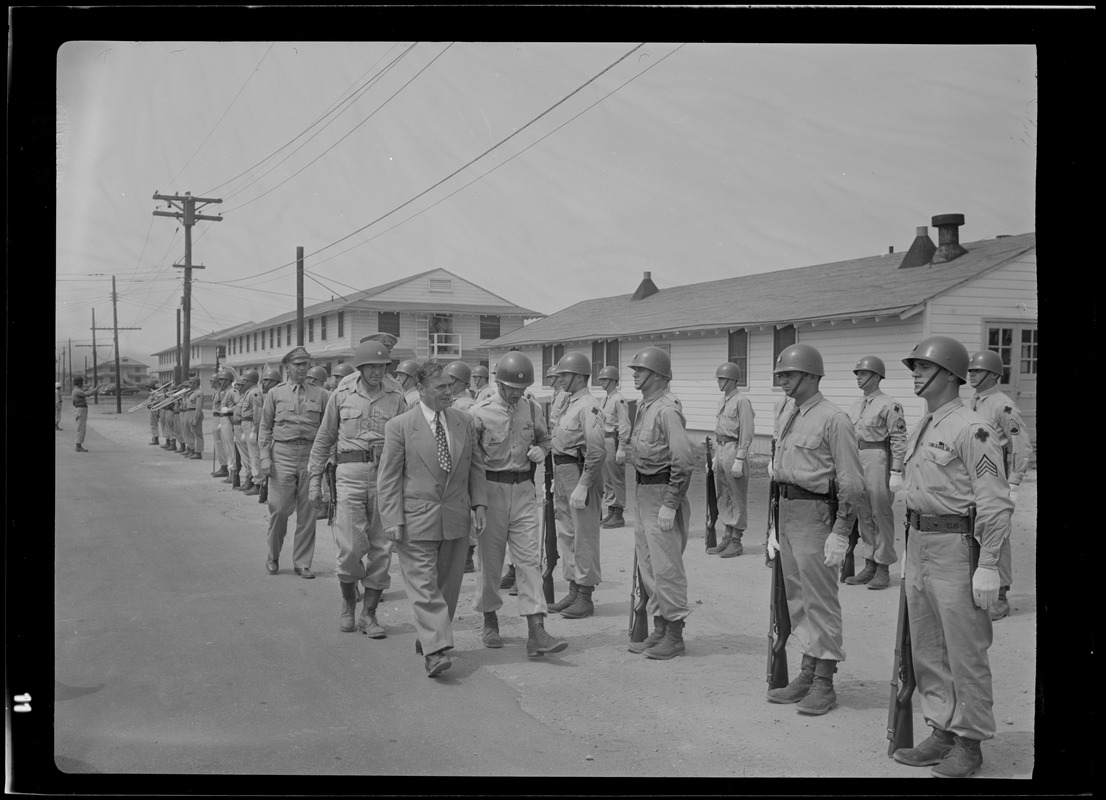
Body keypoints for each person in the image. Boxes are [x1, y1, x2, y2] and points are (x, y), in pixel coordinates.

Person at [890, 336, 1013, 778]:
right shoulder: (926, 424)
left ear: (951, 374)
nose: (916, 375)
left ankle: (970, 741)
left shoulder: (971, 427)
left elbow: (995, 502)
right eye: (914, 368)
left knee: (965, 650)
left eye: (925, 368)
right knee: (927, 648)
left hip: (957, 548)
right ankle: (941, 728)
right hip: (920, 542)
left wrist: (988, 564)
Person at [766, 343, 863, 716]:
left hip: (817, 514)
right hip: (788, 510)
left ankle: (824, 680)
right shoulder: (789, 412)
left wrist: (841, 530)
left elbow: (851, 482)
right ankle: (807, 671)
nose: (783, 381)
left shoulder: (832, 418)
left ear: (811, 375)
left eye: (789, 374)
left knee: (819, 599)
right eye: (781, 375)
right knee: (797, 596)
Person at [377, 360, 489, 678]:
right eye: (440, 387)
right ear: (421, 389)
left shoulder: (463, 421)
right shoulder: (399, 426)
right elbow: (388, 478)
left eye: (450, 385)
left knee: (448, 587)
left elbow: (475, 466)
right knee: (425, 585)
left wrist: (479, 505)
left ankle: (429, 636)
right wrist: (392, 518)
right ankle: (436, 650)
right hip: (414, 519)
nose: (448, 392)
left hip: (455, 517)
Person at [470, 352, 569, 656]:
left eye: (520, 388)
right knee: (490, 563)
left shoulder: (531, 408)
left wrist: (541, 449)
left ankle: (536, 630)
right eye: (510, 387)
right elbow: (470, 461)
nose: (515, 393)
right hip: (491, 491)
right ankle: (490, 619)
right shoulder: (479, 413)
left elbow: (545, 439)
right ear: (498, 382)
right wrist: (475, 504)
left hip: (525, 490)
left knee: (529, 561)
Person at [308, 339, 406, 636]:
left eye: (383, 366)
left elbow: (405, 439)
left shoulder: (397, 395)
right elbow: (324, 438)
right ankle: (349, 604)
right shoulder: (341, 395)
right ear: (361, 368)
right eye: (372, 367)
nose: (378, 372)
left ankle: (370, 614)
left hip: (385, 477)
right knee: (349, 547)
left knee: (382, 546)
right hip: (348, 474)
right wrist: (315, 481)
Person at [625, 346, 695, 659]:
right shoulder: (645, 406)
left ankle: (675, 634)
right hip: (643, 491)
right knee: (648, 564)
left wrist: (671, 502)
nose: (635, 374)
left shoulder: (667, 409)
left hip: (662, 491)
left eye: (640, 370)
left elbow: (683, 460)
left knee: (667, 567)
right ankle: (660, 627)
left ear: (657, 375)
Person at [967, 349, 1032, 621]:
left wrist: (1014, 482)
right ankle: (983, 589)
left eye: (977, 371)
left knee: (998, 533)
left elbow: (1021, 445)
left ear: (993, 374)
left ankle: (1001, 596)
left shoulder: (1002, 405)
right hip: (976, 476)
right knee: (975, 528)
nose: (971, 374)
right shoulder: (975, 400)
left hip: (998, 476)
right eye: (970, 370)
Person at [257, 347, 329, 578]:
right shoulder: (275, 394)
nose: (301, 368)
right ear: (286, 367)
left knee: (308, 512)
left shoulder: (321, 394)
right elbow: (265, 428)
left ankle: (302, 562)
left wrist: (326, 460)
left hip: (310, 455)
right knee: (278, 510)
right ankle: (273, 555)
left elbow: (328, 429)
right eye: (296, 364)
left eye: (305, 364)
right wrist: (265, 458)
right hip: (282, 455)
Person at [546, 352, 607, 619]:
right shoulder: (570, 403)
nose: (559, 378)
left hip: (580, 472)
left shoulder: (589, 406)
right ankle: (574, 589)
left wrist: (583, 484)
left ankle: (585, 596)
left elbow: (596, 451)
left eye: (564, 374)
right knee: (568, 533)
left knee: (584, 535)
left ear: (580, 376)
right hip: (563, 472)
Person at [844, 356, 907, 590]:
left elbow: (899, 438)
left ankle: (883, 567)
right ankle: (869, 563)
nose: (859, 378)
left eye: (863, 373)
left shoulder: (889, 405)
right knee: (863, 512)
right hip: (858, 459)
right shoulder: (856, 405)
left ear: (877, 376)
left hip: (878, 459)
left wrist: (896, 470)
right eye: (857, 374)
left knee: (881, 514)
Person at [708, 362, 756, 558]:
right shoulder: (722, 401)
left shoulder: (741, 401)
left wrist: (740, 456)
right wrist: (713, 456)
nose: (719, 382)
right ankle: (727, 537)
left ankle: (736, 540)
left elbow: (747, 430)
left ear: (732, 380)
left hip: (734, 449)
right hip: (721, 449)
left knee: (737, 495)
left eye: (722, 379)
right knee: (723, 493)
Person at [597, 365, 631, 530]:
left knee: (616, 477)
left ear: (613, 380)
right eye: (601, 379)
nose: (601, 382)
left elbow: (624, 424)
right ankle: (611, 509)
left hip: (613, 440)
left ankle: (618, 513)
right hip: (604, 440)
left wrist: (622, 447)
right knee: (607, 478)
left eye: (604, 379)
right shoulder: (604, 400)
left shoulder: (619, 399)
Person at [251, 368, 283, 502]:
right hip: (264, 431)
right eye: (264, 380)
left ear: (275, 381)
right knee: (262, 460)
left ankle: (270, 493)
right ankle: (264, 491)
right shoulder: (263, 395)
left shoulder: (277, 394)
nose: (264, 383)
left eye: (268, 380)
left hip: (275, 434)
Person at [232, 371, 259, 493]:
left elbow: (257, 413)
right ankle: (251, 479)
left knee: (254, 456)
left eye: (245, 381)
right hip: (245, 424)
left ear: (250, 381)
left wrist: (254, 430)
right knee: (248, 456)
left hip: (250, 424)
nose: (243, 383)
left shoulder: (255, 393)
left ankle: (257, 483)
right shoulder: (248, 393)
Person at [211, 369, 235, 479]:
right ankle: (227, 468)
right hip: (221, 418)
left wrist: (228, 410)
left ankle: (231, 471)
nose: (220, 382)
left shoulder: (231, 392)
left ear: (227, 380)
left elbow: (237, 405)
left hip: (228, 419)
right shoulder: (223, 392)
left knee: (230, 448)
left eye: (222, 380)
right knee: (223, 446)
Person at [184, 375, 205, 460]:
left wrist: (196, 418)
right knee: (188, 432)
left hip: (194, 412)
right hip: (188, 412)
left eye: (191, 383)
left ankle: (198, 452)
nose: (190, 385)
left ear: (196, 384)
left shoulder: (199, 393)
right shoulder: (192, 393)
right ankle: (192, 449)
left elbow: (198, 407)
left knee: (197, 433)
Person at [71, 376, 91, 452]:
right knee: (80, 428)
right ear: (78, 382)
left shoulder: (78, 390)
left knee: (81, 427)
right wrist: (95, 390)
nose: (82, 383)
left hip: (81, 409)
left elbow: (86, 392)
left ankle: (79, 445)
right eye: (81, 382)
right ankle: (78, 446)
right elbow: (87, 393)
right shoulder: (77, 391)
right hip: (80, 410)